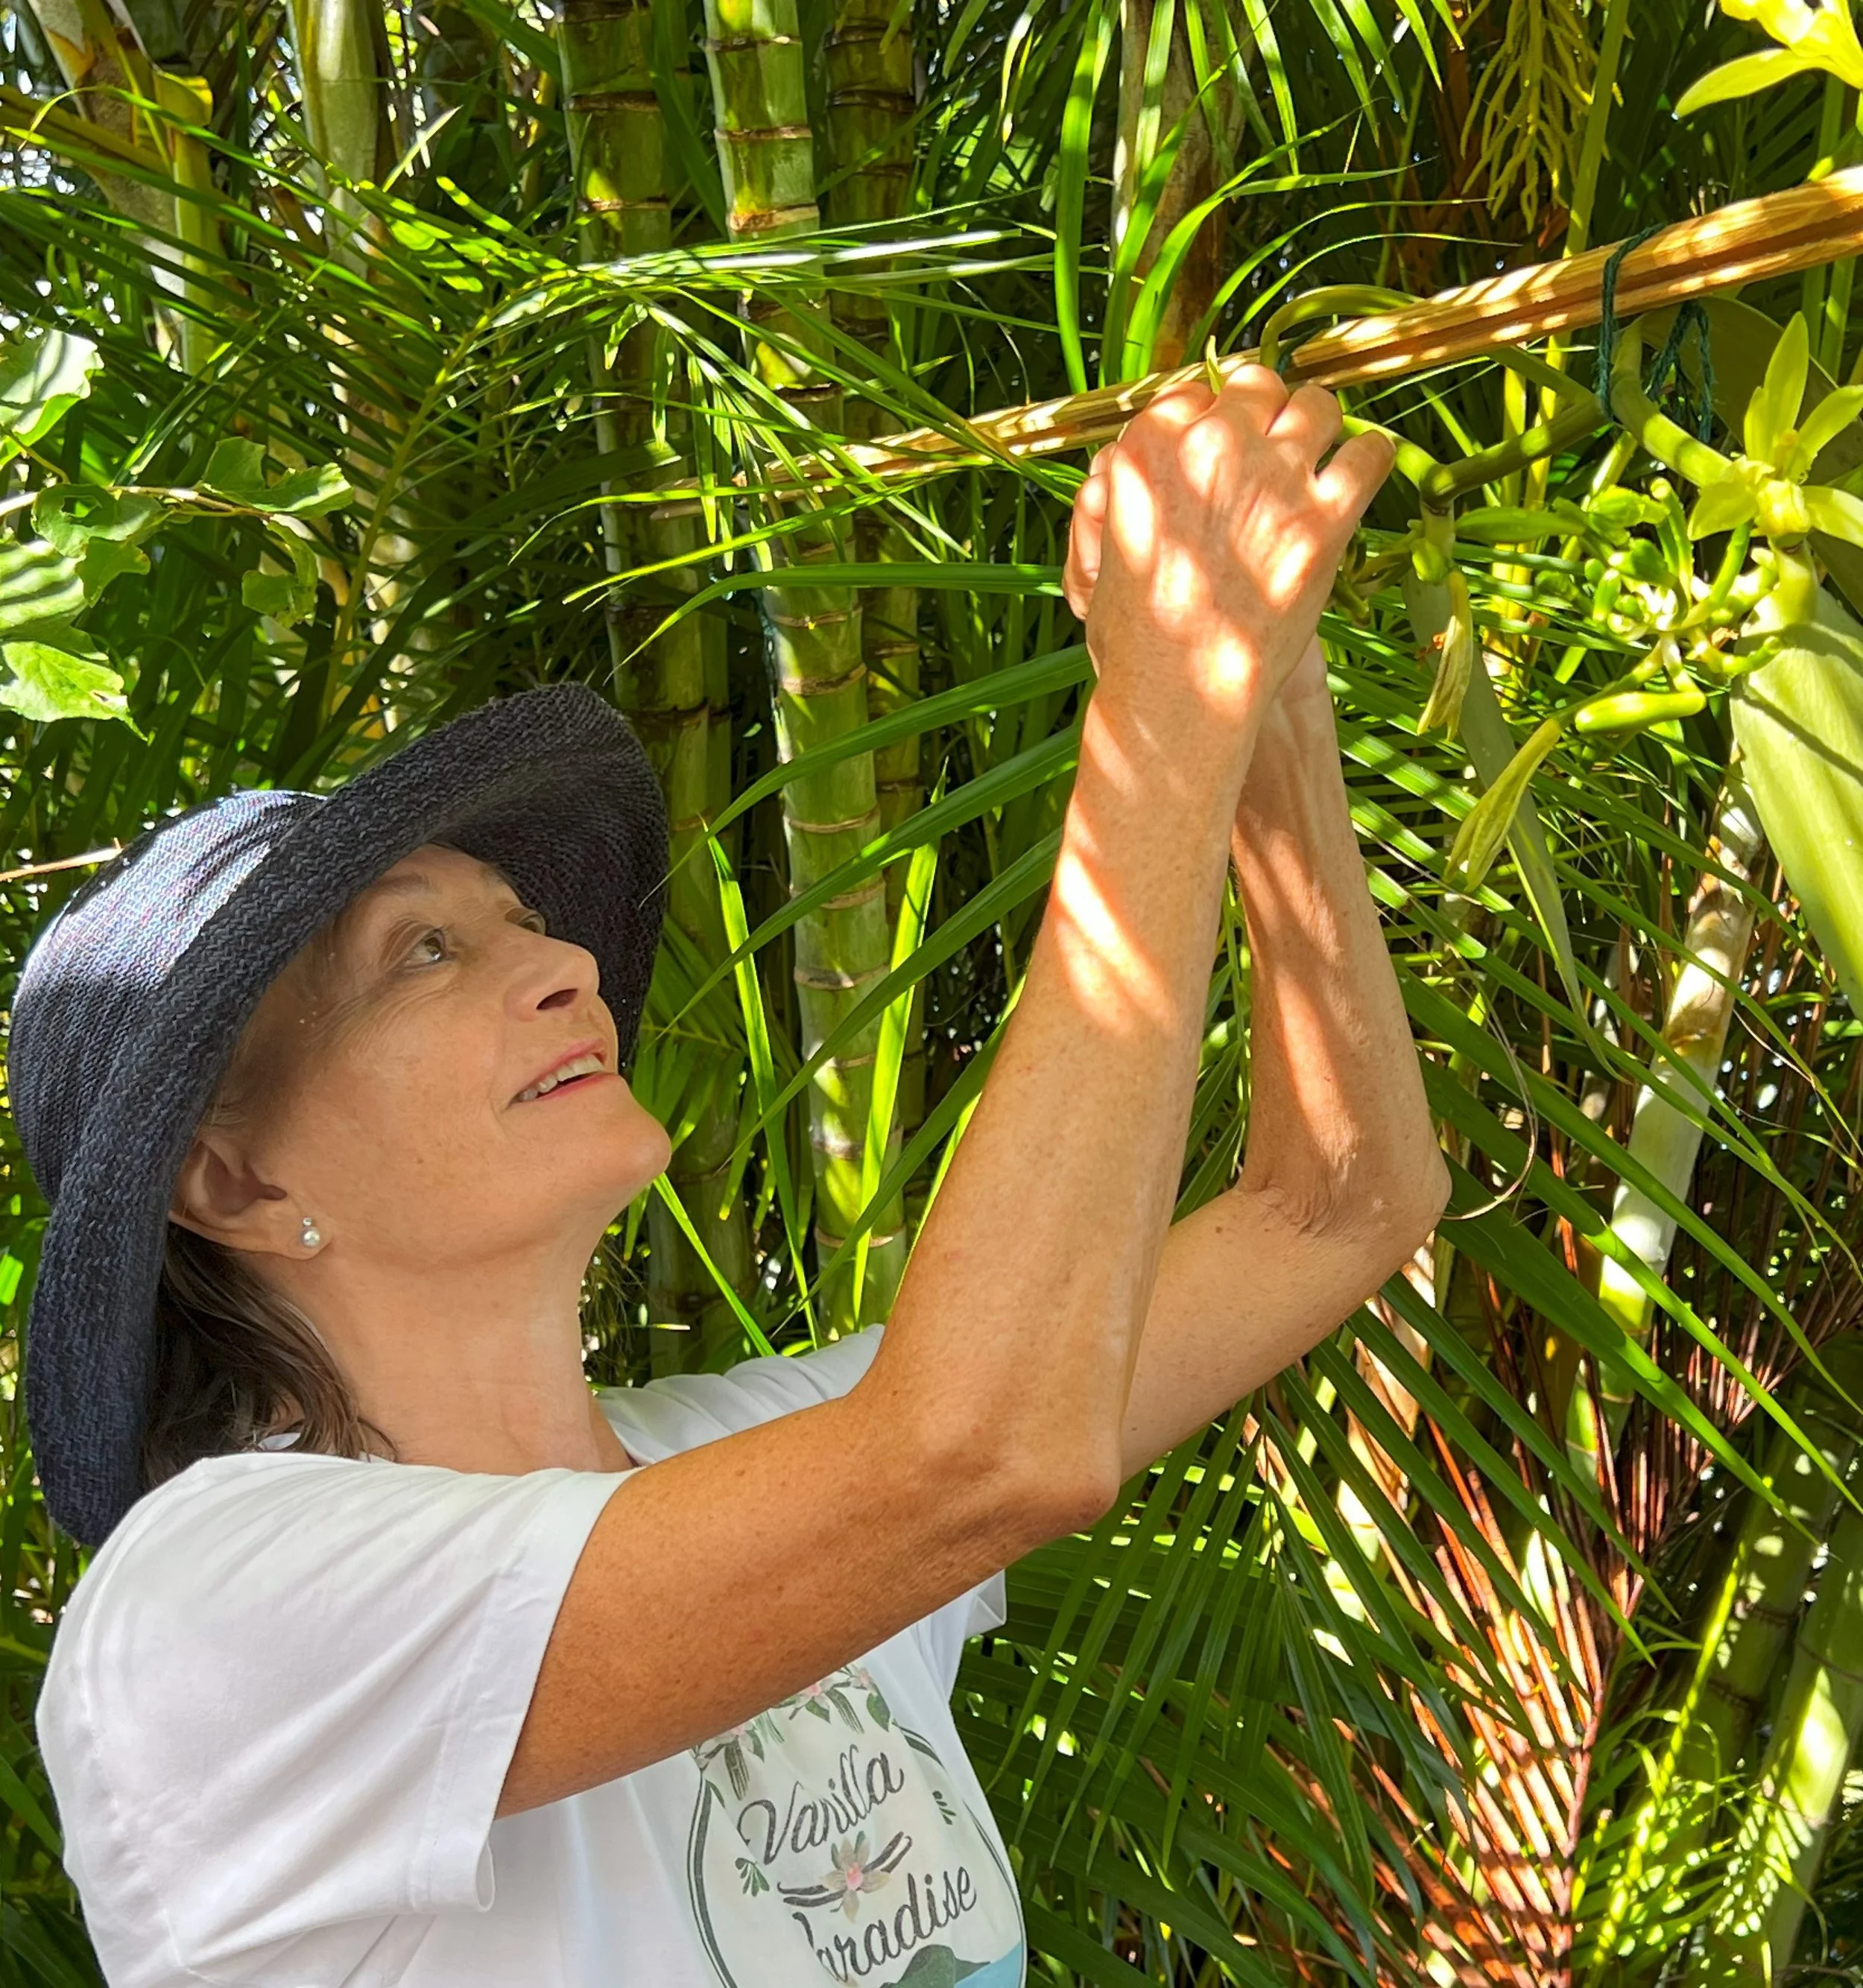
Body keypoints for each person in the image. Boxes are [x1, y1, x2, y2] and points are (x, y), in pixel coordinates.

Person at [13, 367, 1444, 1988]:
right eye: (423, 951)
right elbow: (983, 1448)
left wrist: (1269, 707)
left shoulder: (755, 1453)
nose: (559, 959)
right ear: (238, 1180)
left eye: (512, 915)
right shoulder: (215, 1608)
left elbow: (1333, 1209)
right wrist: (1160, 716)